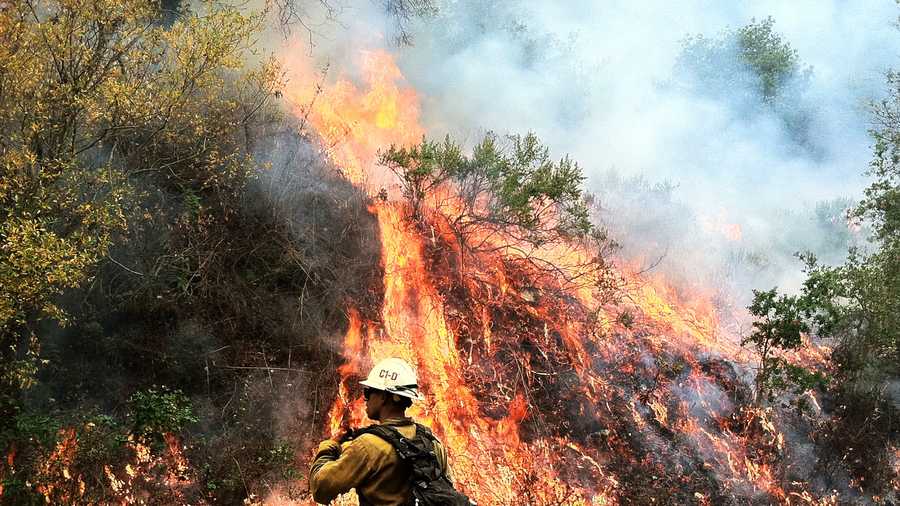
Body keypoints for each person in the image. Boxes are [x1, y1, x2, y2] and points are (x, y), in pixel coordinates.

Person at [309, 358, 450, 505]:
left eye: (368, 392)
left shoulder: (368, 446)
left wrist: (330, 445)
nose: (365, 399)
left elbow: (320, 489)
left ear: (383, 396)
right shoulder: (432, 443)